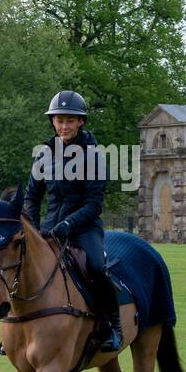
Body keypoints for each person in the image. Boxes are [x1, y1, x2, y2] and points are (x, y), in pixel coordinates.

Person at [22, 91, 122, 352]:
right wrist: (32, 228)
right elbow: (31, 197)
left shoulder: (94, 156)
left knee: (98, 268)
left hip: (83, 229)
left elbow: (94, 204)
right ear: (52, 122)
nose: (63, 126)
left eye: (69, 120)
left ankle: (113, 326)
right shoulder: (44, 155)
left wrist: (69, 224)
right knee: (20, 267)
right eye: (59, 120)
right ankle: (15, 331)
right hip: (48, 230)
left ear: (81, 122)